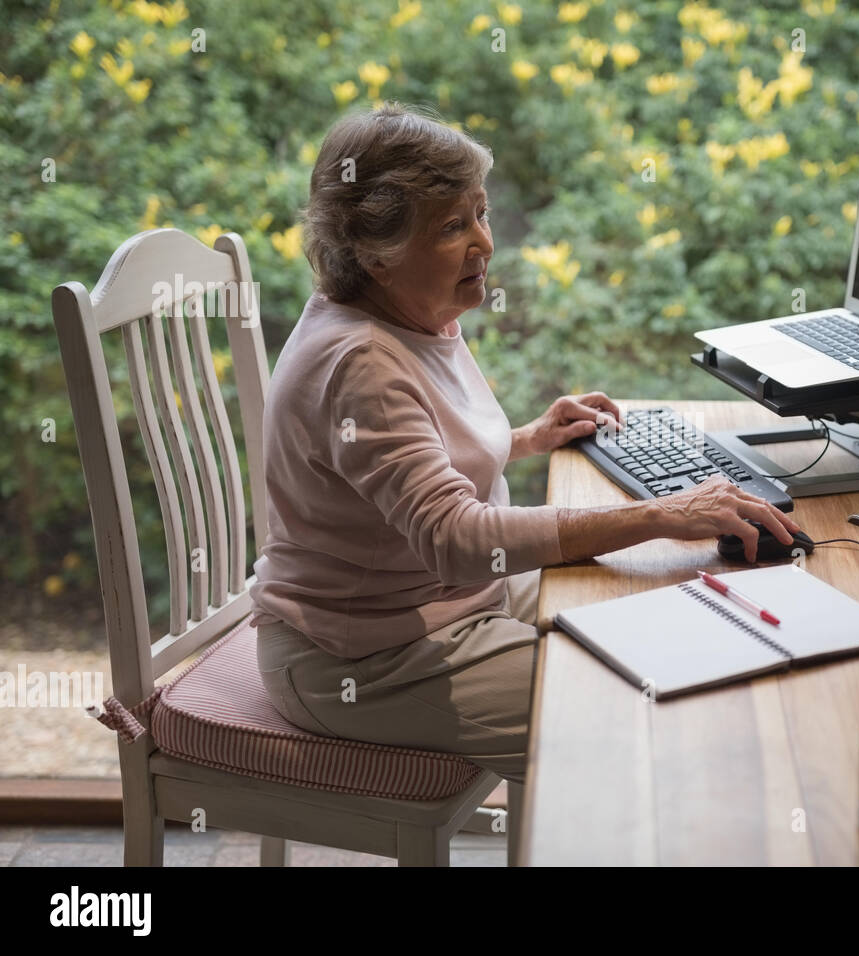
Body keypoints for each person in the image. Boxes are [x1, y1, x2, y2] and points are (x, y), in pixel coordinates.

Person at [250, 103, 799, 784]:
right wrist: (665, 513)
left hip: (446, 603)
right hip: (364, 657)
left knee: (668, 613)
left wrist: (528, 438)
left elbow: (400, 470)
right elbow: (454, 538)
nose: (483, 242)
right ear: (374, 254)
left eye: (480, 214)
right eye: (453, 226)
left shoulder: (410, 317)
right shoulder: (361, 362)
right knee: (638, 718)